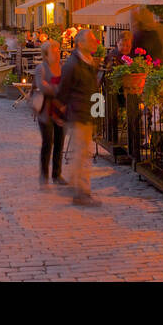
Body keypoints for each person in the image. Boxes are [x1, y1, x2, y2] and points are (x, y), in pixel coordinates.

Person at [58, 28, 102, 205]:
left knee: (82, 153)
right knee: (83, 154)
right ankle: (81, 192)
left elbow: (94, 90)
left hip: (87, 112)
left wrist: (98, 112)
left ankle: (76, 186)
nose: (95, 42)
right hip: (78, 113)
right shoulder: (72, 65)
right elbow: (63, 90)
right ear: (81, 43)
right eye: (91, 40)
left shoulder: (89, 61)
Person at [33, 40, 66, 187]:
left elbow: (67, 86)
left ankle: (57, 174)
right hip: (45, 112)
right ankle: (44, 176)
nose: (58, 53)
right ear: (46, 55)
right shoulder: (42, 68)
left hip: (60, 111)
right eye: (54, 51)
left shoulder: (63, 67)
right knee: (48, 143)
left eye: (58, 50)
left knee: (59, 143)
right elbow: (42, 87)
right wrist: (57, 88)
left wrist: (53, 87)